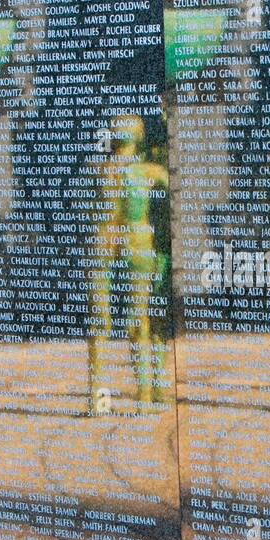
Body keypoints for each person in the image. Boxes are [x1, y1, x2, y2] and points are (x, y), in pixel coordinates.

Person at [87, 114, 170, 414]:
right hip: (136, 238)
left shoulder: (97, 170)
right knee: (137, 321)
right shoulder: (149, 171)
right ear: (138, 138)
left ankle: (99, 401)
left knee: (102, 322)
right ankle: (145, 396)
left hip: (103, 237)